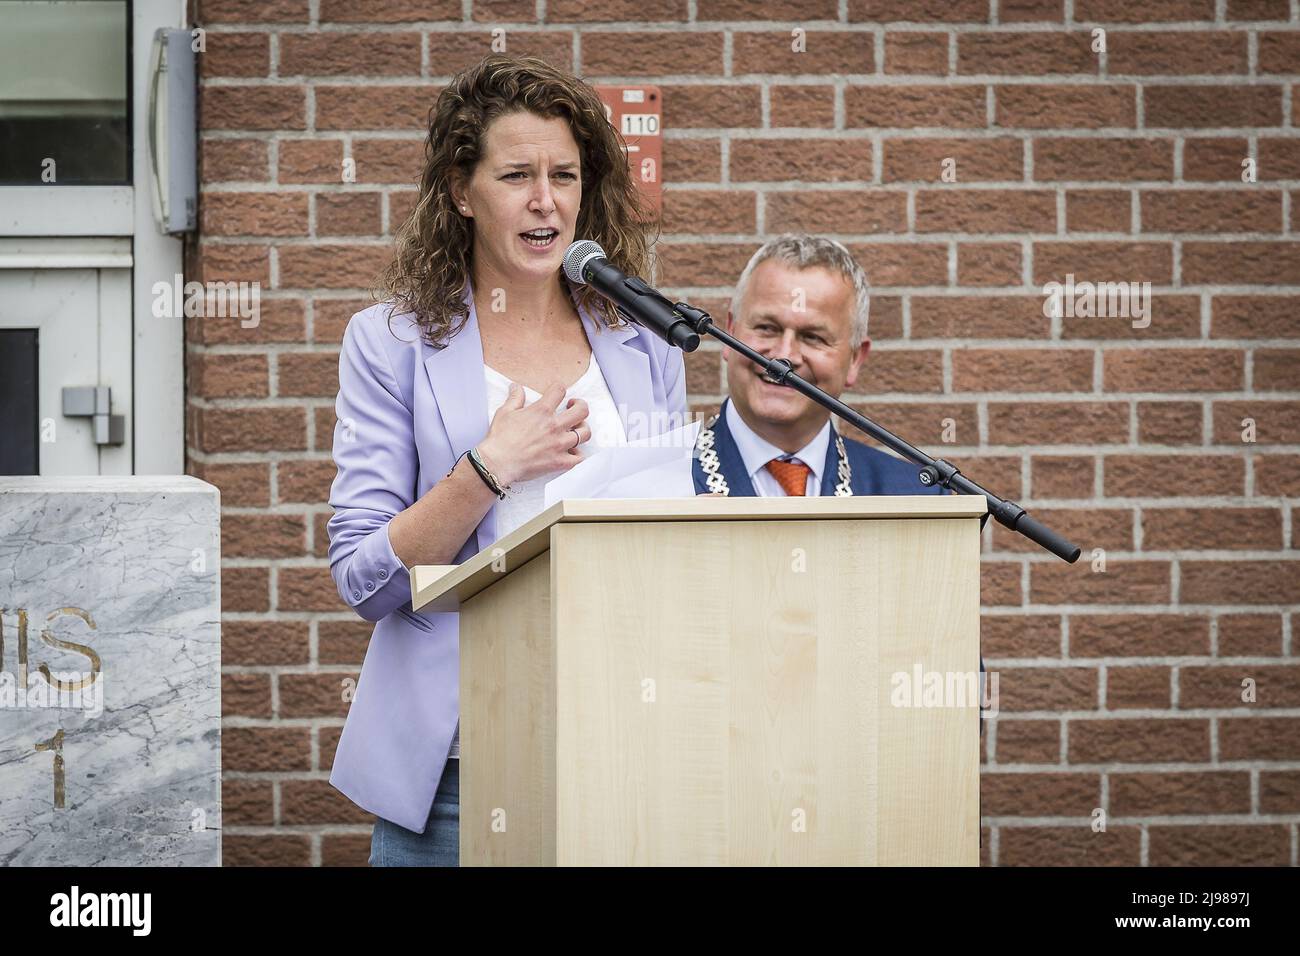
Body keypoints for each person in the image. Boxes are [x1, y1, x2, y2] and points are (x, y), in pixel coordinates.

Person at [325, 54, 686, 866]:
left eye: (565, 174)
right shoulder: (389, 345)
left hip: (621, 752)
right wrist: (485, 469)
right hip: (460, 770)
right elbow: (364, 579)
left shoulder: (645, 345)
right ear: (461, 192)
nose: (545, 200)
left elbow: (675, 541)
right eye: (516, 174)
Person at [692, 234, 987, 722]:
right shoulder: (653, 482)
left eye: (813, 337)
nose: (783, 355)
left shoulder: (913, 499)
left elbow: (956, 705)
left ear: (855, 359)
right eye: (766, 328)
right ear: (728, 333)